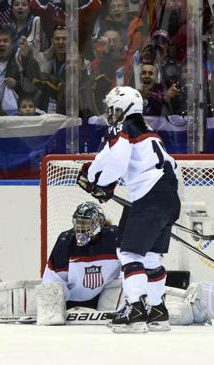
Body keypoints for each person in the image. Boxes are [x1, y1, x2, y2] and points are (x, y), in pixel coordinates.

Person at [78, 86, 180, 333]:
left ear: (122, 109)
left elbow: (116, 160)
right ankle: (157, 310)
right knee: (151, 257)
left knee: (129, 253)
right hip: (169, 197)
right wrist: (93, 173)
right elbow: (108, 157)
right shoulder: (150, 132)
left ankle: (135, 310)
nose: (110, 114)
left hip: (148, 198)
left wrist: (100, 183)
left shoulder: (123, 129)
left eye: (113, 109)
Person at [41, 201, 121, 310]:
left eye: (85, 223)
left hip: (104, 299)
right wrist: (52, 309)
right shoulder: (66, 241)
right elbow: (53, 278)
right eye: (78, 222)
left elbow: (130, 267)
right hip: (70, 301)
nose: (80, 227)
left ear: (98, 223)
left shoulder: (114, 237)